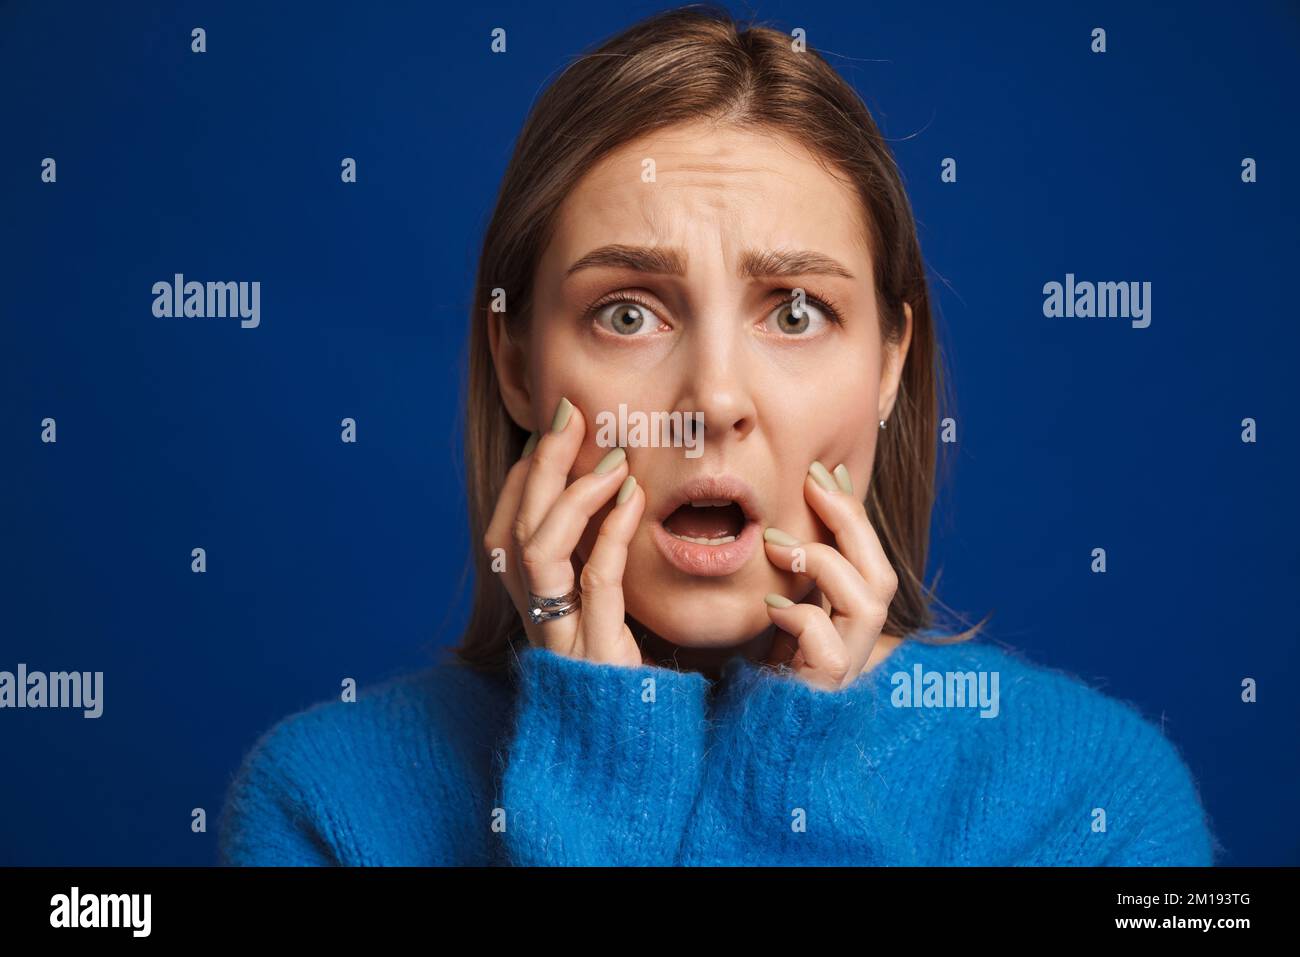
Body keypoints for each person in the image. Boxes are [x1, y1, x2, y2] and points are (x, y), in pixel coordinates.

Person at [217, 6, 1218, 866]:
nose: (712, 399)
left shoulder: (1092, 805)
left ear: (888, 366)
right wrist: (598, 762)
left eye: (793, 313)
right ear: (518, 364)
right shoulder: (325, 806)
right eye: (627, 312)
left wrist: (789, 763)